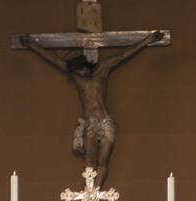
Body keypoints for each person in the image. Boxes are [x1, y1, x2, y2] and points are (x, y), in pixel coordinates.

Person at [20, 30, 163, 185]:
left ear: (86, 65)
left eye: (81, 70)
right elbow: (55, 60)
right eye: (77, 72)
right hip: (90, 123)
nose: (80, 74)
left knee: (103, 163)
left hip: (105, 121)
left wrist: (146, 40)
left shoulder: (103, 69)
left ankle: (95, 196)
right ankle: (89, 196)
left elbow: (123, 55)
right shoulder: (77, 77)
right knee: (89, 164)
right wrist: (32, 45)